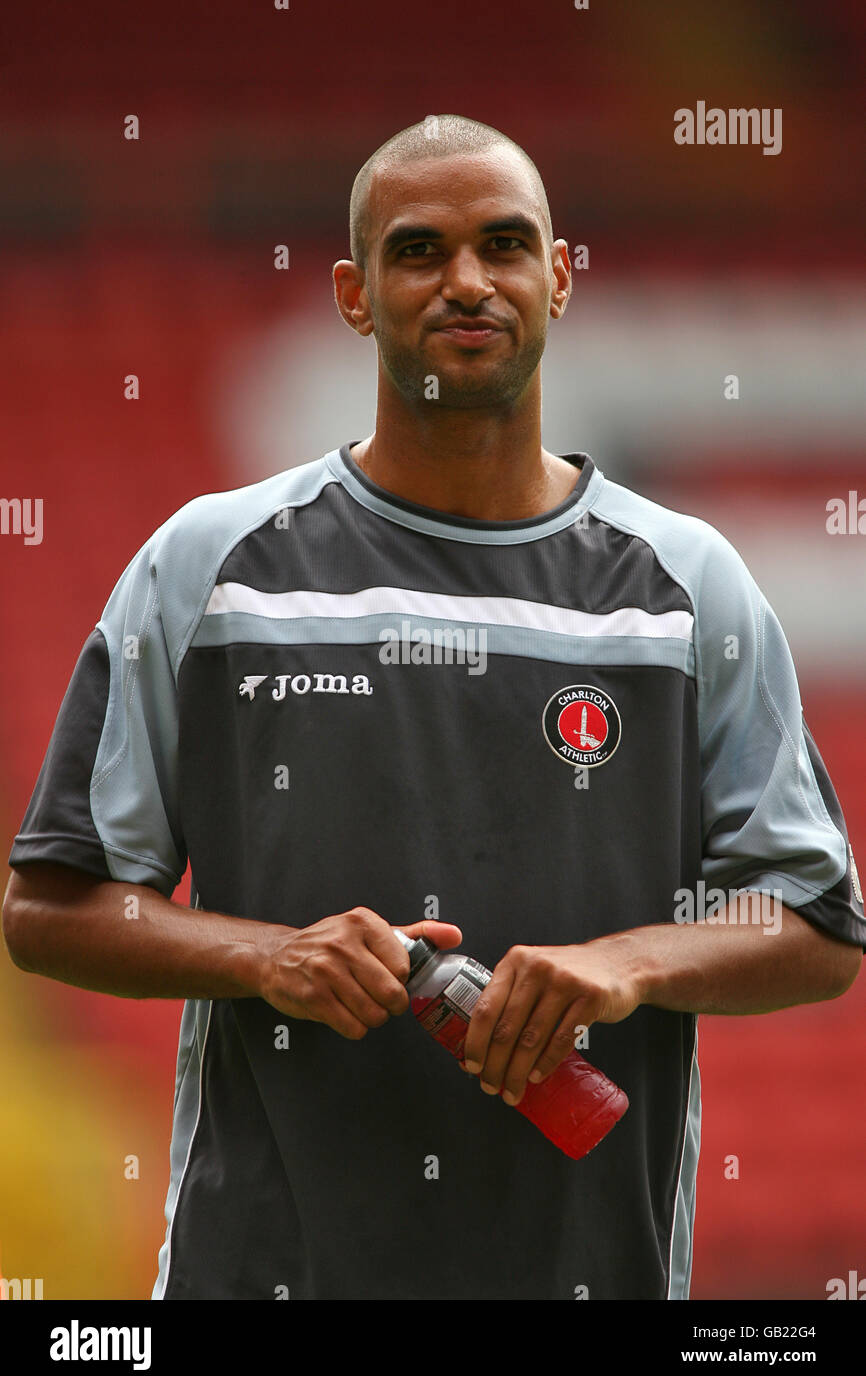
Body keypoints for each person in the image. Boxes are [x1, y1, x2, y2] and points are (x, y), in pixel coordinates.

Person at [3, 114, 863, 1302]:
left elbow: (814, 925)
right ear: (355, 296)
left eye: (504, 245)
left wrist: (623, 964)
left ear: (557, 279)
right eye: (419, 251)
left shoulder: (684, 585)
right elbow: (48, 907)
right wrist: (271, 958)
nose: (467, 282)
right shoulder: (210, 567)